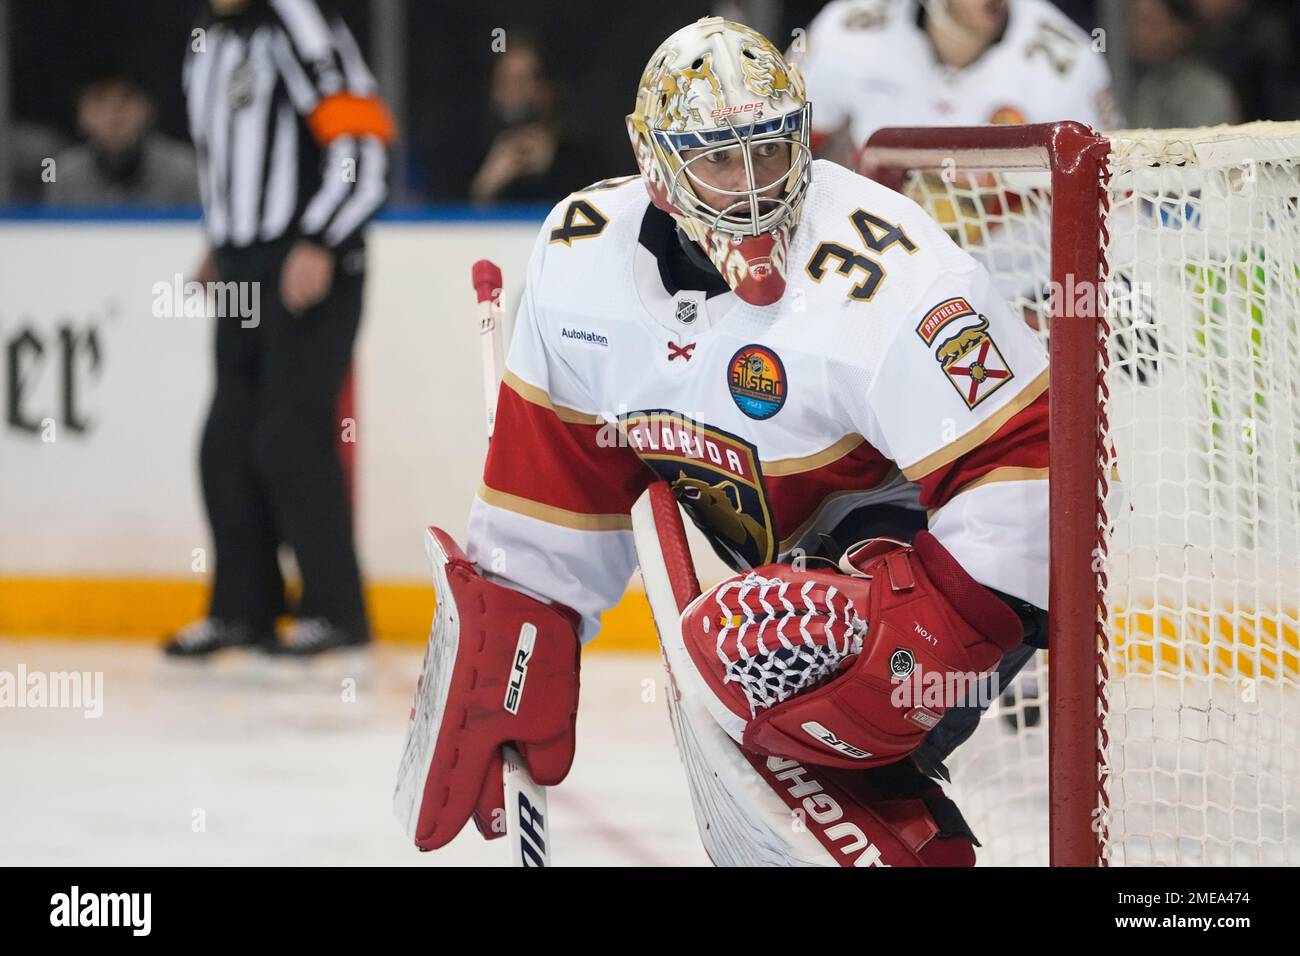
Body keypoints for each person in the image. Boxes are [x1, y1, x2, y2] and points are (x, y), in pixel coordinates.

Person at [398, 18, 1049, 866]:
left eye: (772, 151)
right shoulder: (580, 256)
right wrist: (519, 628)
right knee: (755, 694)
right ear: (656, 164)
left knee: (788, 712)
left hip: (916, 578)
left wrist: (928, 637)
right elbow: (556, 479)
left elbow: (1036, 472)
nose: (753, 188)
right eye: (718, 158)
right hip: (767, 585)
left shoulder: (889, 277)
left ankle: (883, 785)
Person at [165, 0, 392, 658]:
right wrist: (220, 243)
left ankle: (337, 612)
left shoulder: (300, 20)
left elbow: (364, 143)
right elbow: (227, 161)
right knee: (226, 444)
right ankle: (244, 611)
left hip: (309, 261)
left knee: (289, 439)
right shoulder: (207, 40)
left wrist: (321, 238)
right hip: (244, 263)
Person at [796, 0, 1120, 166]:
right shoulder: (847, 29)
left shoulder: (1071, 62)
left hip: (1017, 284)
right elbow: (773, 144)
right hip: (889, 268)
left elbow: (1117, 195)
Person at [467, 38, 606, 204]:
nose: (514, 90)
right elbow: (441, 221)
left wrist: (554, 167)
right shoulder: (469, 154)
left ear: (548, 88)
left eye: (524, 79)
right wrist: (486, 185)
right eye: (505, 80)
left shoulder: (582, 158)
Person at [46, 68, 199, 207]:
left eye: (126, 99)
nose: (114, 115)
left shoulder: (184, 171)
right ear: (81, 114)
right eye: (100, 100)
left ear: (149, 109)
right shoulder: (66, 175)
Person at [1129, 0, 1239, 128]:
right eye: (1134, 22)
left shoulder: (1207, 91)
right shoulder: (1144, 84)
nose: (1140, 33)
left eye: (1151, 23)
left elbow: (1206, 144)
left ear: (1181, 28)